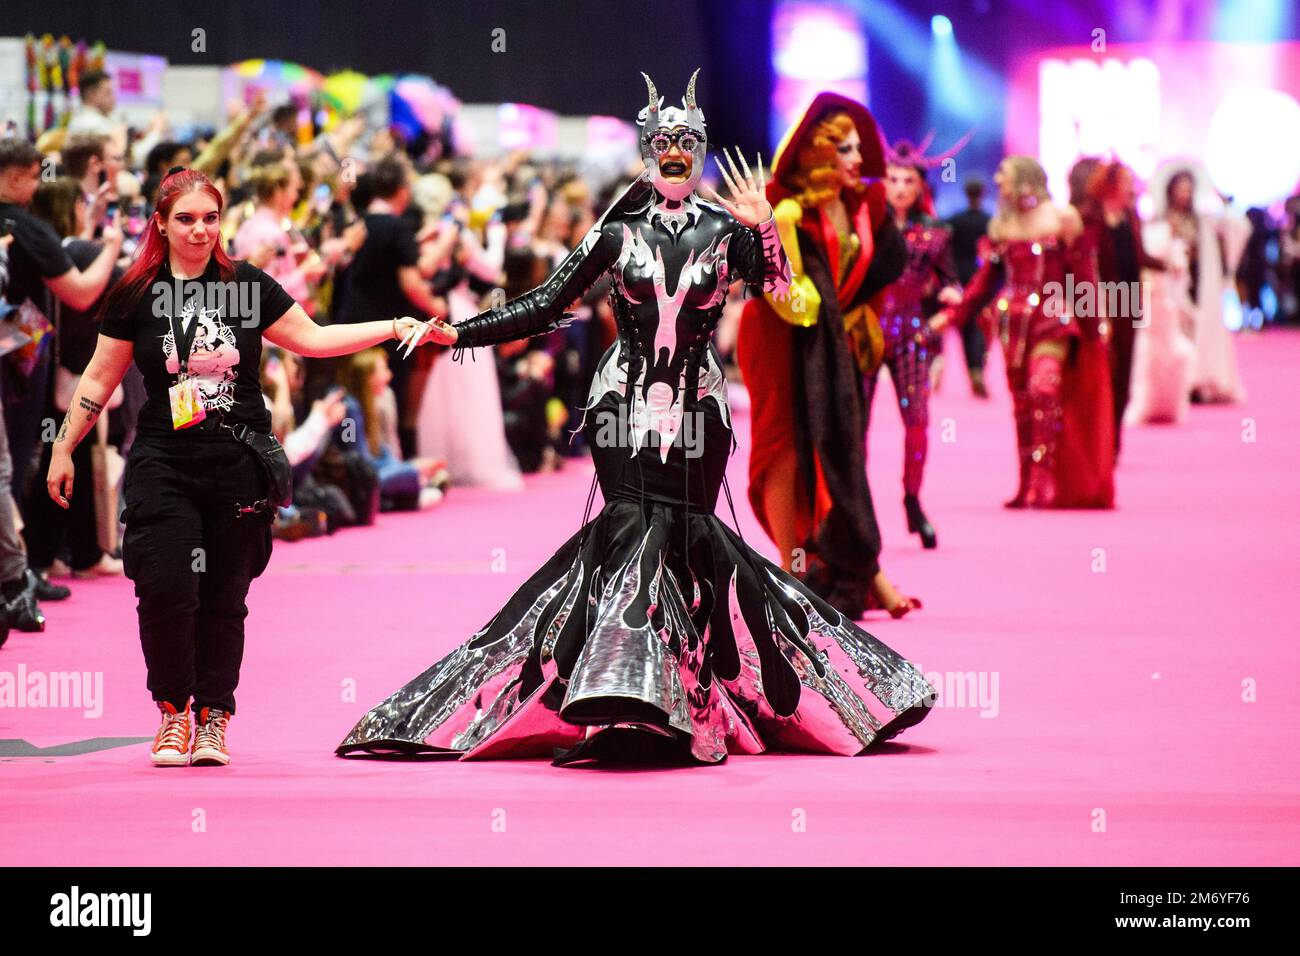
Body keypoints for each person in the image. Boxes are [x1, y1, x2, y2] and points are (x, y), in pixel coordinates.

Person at [337, 72, 935, 766]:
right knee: (631, 530)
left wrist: (766, 229)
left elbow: (782, 294)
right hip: (621, 405)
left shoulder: (726, 229)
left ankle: (679, 695)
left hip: (699, 413)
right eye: (664, 141)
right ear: (648, 149)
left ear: (700, 148)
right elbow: (543, 304)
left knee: (687, 535)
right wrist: (457, 334)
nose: (675, 151)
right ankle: (626, 699)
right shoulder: (614, 232)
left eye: (687, 142)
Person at [45, 167, 436, 768]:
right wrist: (63, 447)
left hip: (240, 462)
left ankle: (213, 718)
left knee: (226, 596)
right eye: (185, 219)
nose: (200, 230)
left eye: (209, 218)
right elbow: (99, 377)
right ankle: (173, 711)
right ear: (161, 224)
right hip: (163, 463)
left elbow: (315, 338)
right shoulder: (136, 293)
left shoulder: (248, 287)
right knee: (166, 587)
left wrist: (391, 327)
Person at [735, 91, 917, 618]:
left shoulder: (865, 205)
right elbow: (777, 285)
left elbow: (874, 274)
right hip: (777, 332)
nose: (859, 160)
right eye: (846, 150)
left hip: (837, 342)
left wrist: (861, 319)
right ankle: (791, 570)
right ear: (819, 154)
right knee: (784, 445)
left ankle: (853, 564)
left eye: (859, 149)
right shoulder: (783, 204)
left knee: (840, 448)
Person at [934, 156, 1114, 509]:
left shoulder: (1062, 219)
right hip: (1013, 324)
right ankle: (1024, 482)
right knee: (1021, 405)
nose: (998, 180)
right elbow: (984, 282)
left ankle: (1044, 482)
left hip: (1053, 317)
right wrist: (954, 315)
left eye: (1004, 175)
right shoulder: (1002, 225)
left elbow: (1084, 276)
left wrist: (1096, 325)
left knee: (1043, 390)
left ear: (1025, 179)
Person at [1, 138, 122, 625]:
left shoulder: (33, 232)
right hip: (20, 367)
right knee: (12, 467)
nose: (35, 186)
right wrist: (111, 246)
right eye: (32, 175)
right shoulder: (25, 229)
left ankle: (23, 569)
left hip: (26, 362)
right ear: (14, 175)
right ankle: (17, 575)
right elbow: (80, 291)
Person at [867, 138, 963, 549]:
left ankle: (912, 500)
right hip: (868, 331)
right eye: (892, 179)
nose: (900, 187)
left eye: (908, 180)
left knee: (918, 422)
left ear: (920, 185)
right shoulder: (867, 223)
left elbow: (952, 283)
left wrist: (943, 314)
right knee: (856, 427)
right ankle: (857, 510)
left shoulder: (938, 233)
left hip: (911, 334)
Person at [1077, 161, 1165, 457]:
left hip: (1127, 302)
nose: (1131, 186)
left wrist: (1166, 264)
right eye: (1125, 180)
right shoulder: (1088, 217)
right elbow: (1082, 265)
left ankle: (1113, 441)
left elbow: (1138, 257)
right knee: (1099, 374)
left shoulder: (1130, 216)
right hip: (1097, 303)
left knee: (1124, 373)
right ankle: (1096, 442)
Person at [1150, 164, 1245, 404]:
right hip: (1172, 286)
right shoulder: (1161, 220)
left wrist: (1220, 199)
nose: (1184, 194)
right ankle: (1177, 384)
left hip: (1199, 284)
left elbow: (1238, 227)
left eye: (1188, 189)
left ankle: (1200, 380)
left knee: (1200, 332)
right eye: (1180, 189)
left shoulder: (1204, 221)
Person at [945, 176, 992, 397]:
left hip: (962, 277)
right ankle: (978, 368)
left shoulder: (955, 220)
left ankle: (973, 369)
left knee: (965, 326)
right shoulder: (989, 221)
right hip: (982, 277)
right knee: (980, 324)